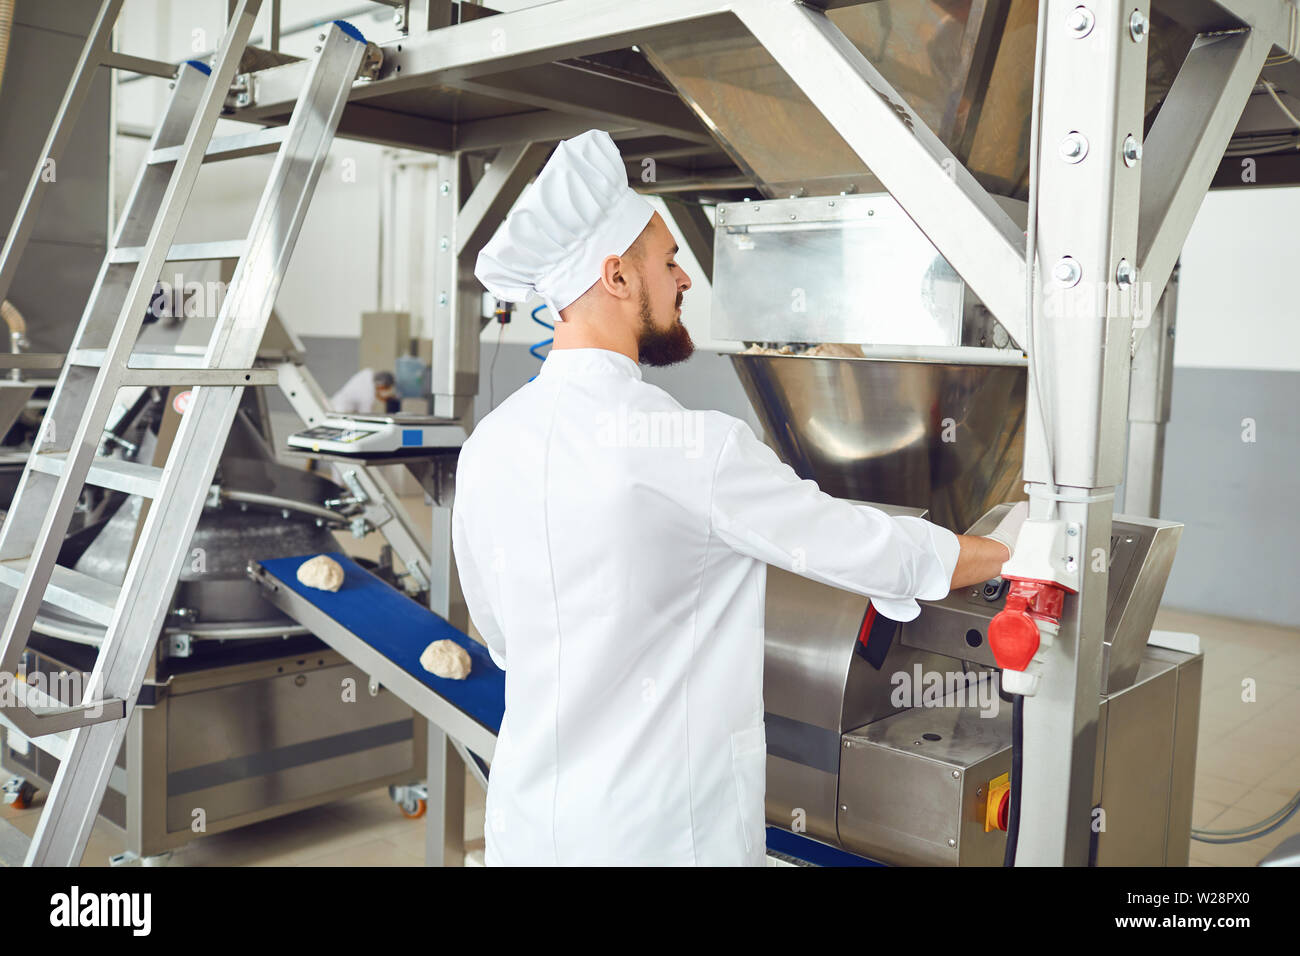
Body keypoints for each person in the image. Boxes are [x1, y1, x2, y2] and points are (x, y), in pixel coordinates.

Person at [453, 129, 1027, 866]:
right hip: (660, 838)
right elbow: (862, 547)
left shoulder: (490, 445)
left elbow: (503, 638)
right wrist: (1012, 551)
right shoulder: (692, 447)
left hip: (531, 830)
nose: (685, 279)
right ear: (617, 279)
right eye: (666, 263)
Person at [329, 368, 397, 415]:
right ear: (382, 385)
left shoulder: (367, 373)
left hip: (334, 401)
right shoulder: (368, 396)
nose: (384, 391)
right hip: (339, 411)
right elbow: (366, 416)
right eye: (385, 388)